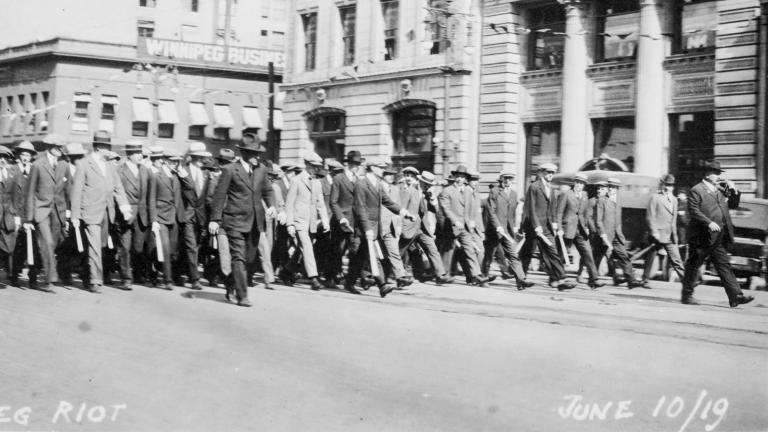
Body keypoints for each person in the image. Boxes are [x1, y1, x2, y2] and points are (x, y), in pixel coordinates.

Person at [209, 138, 275, 307]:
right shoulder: (230, 170)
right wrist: (215, 219)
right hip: (234, 221)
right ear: (244, 153)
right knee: (238, 258)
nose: (257, 157)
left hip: (255, 222)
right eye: (254, 154)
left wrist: (272, 206)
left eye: (258, 154)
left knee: (248, 259)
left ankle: (231, 283)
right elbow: (219, 195)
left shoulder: (261, 170)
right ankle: (242, 296)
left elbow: (267, 190)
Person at [681, 160, 753, 307]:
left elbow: (733, 204)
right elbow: (694, 211)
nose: (718, 176)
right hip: (702, 236)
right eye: (715, 173)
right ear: (707, 174)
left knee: (723, 265)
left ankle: (736, 296)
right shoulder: (697, 190)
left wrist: (734, 189)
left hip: (719, 235)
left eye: (719, 173)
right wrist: (709, 222)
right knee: (694, 265)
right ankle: (687, 295)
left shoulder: (719, 190)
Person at [69, 131, 131, 293]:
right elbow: (77, 191)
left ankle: (86, 274)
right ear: (98, 147)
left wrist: (124, 207)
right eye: (105, 147)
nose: (108, 150)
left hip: (107, 212)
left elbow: (118, 187)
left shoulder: (110, 165)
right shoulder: (83, 164)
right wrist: (75, 215)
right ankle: (96, 280)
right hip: (90, 212)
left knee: (99, 246)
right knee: (95, 246)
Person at [345, 157, 412, 297]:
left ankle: (350, 281)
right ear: (373, 168)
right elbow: (360, 208)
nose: (383, 170)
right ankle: (382, 285)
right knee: (373, 255)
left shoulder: (378, 185)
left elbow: (388, 202)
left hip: (375, 227)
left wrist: (404, 213)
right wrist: (367, 228)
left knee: (359, 256)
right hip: (365, 227)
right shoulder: (361, 184)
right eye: (381, 168)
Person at [23, 134, 68, 293]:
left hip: (58, 212)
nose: (61, 150)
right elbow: (29, 193)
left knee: (48, 246)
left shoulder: (63, 165)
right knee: (47, 244)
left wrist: (67, 212)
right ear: (50, 148)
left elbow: (67, 190)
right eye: (58, 148)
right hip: (40, 211)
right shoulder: (37, 165)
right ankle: (49, 280)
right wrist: (28, 218)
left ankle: (34, 274)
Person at [519, 164, 575, 291]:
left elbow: (553, 208)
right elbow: (530, 208)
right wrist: (536, 226)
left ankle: (561, 278)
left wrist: (555, 222)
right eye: (548, 172)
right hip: (534, 227)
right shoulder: (534, 187)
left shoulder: (552, 189)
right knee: (527, 254)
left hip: (547, 227)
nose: (551, 175)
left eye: (553, 172)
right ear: (542, 173)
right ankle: (521, 278)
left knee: (553, 252)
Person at [398, 168, 454, 285]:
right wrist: (400, 227)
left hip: (422, 228)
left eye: (429, 185)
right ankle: (393, 276)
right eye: (426, 184)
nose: (428, 187)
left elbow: (436, 210)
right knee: (399, 252)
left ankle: (440, 275)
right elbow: (401, 209)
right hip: (409, 227)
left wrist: (433, 200)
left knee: (432, 248)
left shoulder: (427, 194)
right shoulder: (410, 191)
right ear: (420, 182)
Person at [285, 152, 330, 291]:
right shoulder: (296, 180)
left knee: (301, 249)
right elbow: (289, 204)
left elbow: (320, 203)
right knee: (307, 246)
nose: (316, 169)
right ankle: (314, 278)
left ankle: (287, 271)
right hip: (299, 221)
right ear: (308, 165)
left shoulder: (316, 182)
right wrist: (290, 223)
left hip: (311, 222)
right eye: (314, 166)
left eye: (318, 166)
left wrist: (325, 220)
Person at [438, 165, 489, 287]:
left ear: (465, 179)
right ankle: (442, 275)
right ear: (454, 177)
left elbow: (471, 207)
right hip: (451, 226)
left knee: (469, 250)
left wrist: (471, 220)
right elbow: (446, 208)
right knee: (448, 250)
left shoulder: (468, 191)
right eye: (458, 176)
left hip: (465, 227)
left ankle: (476, 274)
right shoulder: (447, 191)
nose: (460, 179)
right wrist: (455, 220)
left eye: (462, 177)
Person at [483, 172, 533, 290]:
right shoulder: (494, 191)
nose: (508, 181)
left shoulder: (514, 194)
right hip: (494, 230)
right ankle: (484, 277)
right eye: (505, 178)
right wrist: (497, 226)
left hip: (507, 231)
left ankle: (521, 280)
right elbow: (491, 211)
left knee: (513, 254)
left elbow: (512, 213)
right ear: (501, 179)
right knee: (489, 255)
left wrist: (515, 227)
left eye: (510, 178)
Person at [555, 173, 604, 289]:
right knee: (561, 254)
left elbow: (583, 213)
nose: (579, 185)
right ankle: (556, 279)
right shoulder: (567, 194)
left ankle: (593, 279)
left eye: (581, 183)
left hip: (580, 230)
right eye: (577, 182)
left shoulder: (585, 195)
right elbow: (559, 212)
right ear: (574, 183)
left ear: (584, 185)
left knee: (587, 252)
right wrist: (560, 228)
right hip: (567, 228)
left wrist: (586, 226)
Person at [115, 141, 153, 290]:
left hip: (142, 214)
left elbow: (151, 194)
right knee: (125, 246)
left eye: (140, 153)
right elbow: (116, 191)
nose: (140, 156)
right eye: (137, 153)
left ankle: (138, 273)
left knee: (138, 248)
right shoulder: (119, 170)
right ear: (129, 155)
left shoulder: (145, 170)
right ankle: (126, 278)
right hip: (125, 214)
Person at [593, 178, 644, 289]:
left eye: (614, 187)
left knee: (623, 256)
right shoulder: (602, 200)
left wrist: (620, 234)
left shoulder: (618, 200)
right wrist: (602, 234)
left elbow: (618, 219)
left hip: (616, 235)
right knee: (598, 257)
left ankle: (631, 281)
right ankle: (593, 279)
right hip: (605, 235)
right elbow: (598, 220)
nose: (611, 189)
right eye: (610, 187)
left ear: (617, 189)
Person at [177, 141, 212, 290]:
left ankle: (178, 272)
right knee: (191, 246)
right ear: (192, 157)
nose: (201, 160)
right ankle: (194, 278)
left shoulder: (206, 173)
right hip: (187, 214)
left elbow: (206, 197)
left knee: (193, 246)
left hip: (200, 216)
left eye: (202, 157)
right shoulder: (182, 171)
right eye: (198, 157)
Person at [148, 151, 185, 291]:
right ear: (165, 161)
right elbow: (151, 198)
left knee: (172, 250)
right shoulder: (156, 176)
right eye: (173, 161)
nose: (175, 164)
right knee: (165, 247)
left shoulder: (176, 176)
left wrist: (182, 173)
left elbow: (189, 187)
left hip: (174, 217)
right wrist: (154, 219)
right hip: (160, 217)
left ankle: (155, 270)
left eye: (177, 162)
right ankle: (168, 280)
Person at [641, 174, 686, 286]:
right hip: (658, 234)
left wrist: (676, 235)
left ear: (673, 187)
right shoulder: (655, 197)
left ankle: (686, 280)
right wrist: (654, 231)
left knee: (676, 258)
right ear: (663, 185)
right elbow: (650, 216)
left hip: (669, 235)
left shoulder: (675, 200)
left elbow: (674, 219)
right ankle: (645, 279)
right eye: (666, 185)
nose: (668, 188)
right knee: (651, 256)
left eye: (670, 185)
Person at [329, 150, 364, 289]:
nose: (356, 167)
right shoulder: (339, 179)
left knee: (356, 250)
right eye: (354, 164)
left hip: (355, 223)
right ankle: (331, 276)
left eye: (358, 164)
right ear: (348, 164)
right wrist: (341, 218)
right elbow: (333, 202)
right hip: (341, 222)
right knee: (337, 251)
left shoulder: (360, 181)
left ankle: (350, 282)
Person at [10, 141, 36, 287]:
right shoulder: (13, 170)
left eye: (28, 155)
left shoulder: (35, 170)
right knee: (17, 246)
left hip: (31, 214)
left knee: (33, 246)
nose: (25, 157)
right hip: (17, 213)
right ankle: (15, 275)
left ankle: (33, 277)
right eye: (23, 154)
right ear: (19, 155)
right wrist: (15, 216)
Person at [0, 146, 22, 286]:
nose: (2, 160)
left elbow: (17, 195)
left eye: (4, 158)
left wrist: (17, 216)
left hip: (8, 214)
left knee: (9, 246)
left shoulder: (12, 174)